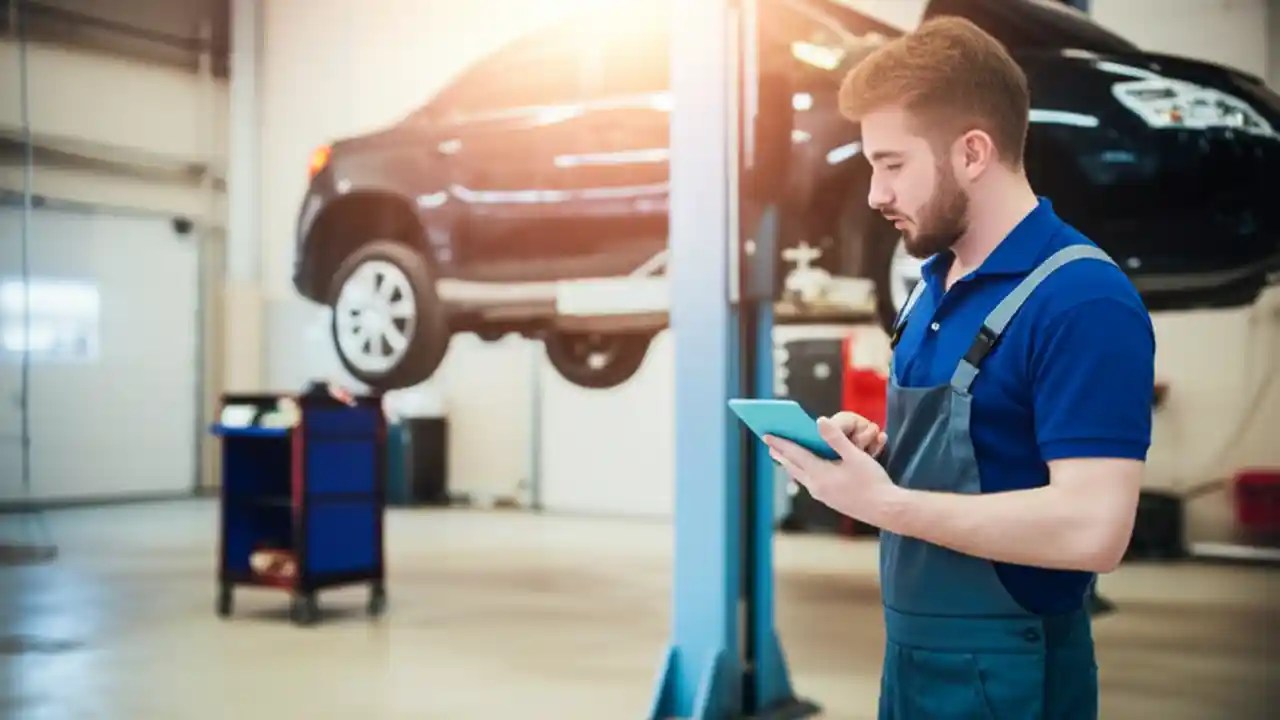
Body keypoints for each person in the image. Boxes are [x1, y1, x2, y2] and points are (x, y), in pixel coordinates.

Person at [763, 16, 1154, 720]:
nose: (876, 194)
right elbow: (984, 447)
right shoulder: (931, 287)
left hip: (1012, 680)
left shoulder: (1081, 299)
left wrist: (885, 505)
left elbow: (1094, 528)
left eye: (892, 164)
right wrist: (877, 450)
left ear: (973, 151)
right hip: (911, 662)